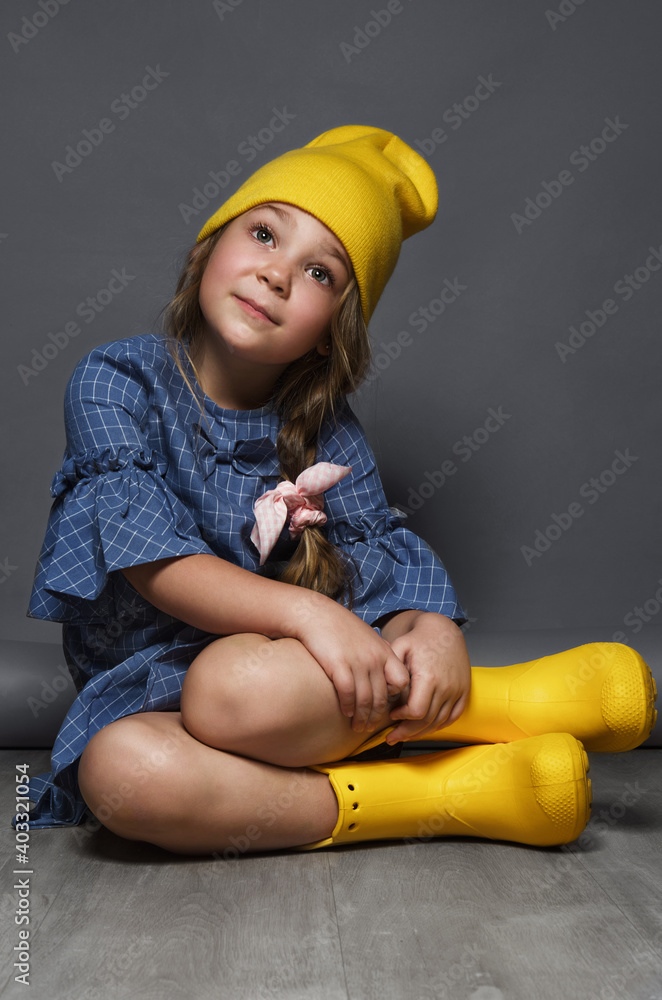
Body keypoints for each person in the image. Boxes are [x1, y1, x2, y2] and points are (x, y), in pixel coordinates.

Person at [23, 125, 656, 855]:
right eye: (263, 233)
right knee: (120, 775)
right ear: (208, 247)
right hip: (148, 691)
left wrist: (431, 629)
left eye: (320, 273)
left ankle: (503, 701)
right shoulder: (116, 382)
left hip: (275, 688)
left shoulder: (325, 429)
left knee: (231, 684)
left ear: (331, 334)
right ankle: (446, 795)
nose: (276, 275)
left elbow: (381, 571)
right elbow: (153, 563)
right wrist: (308, 615)